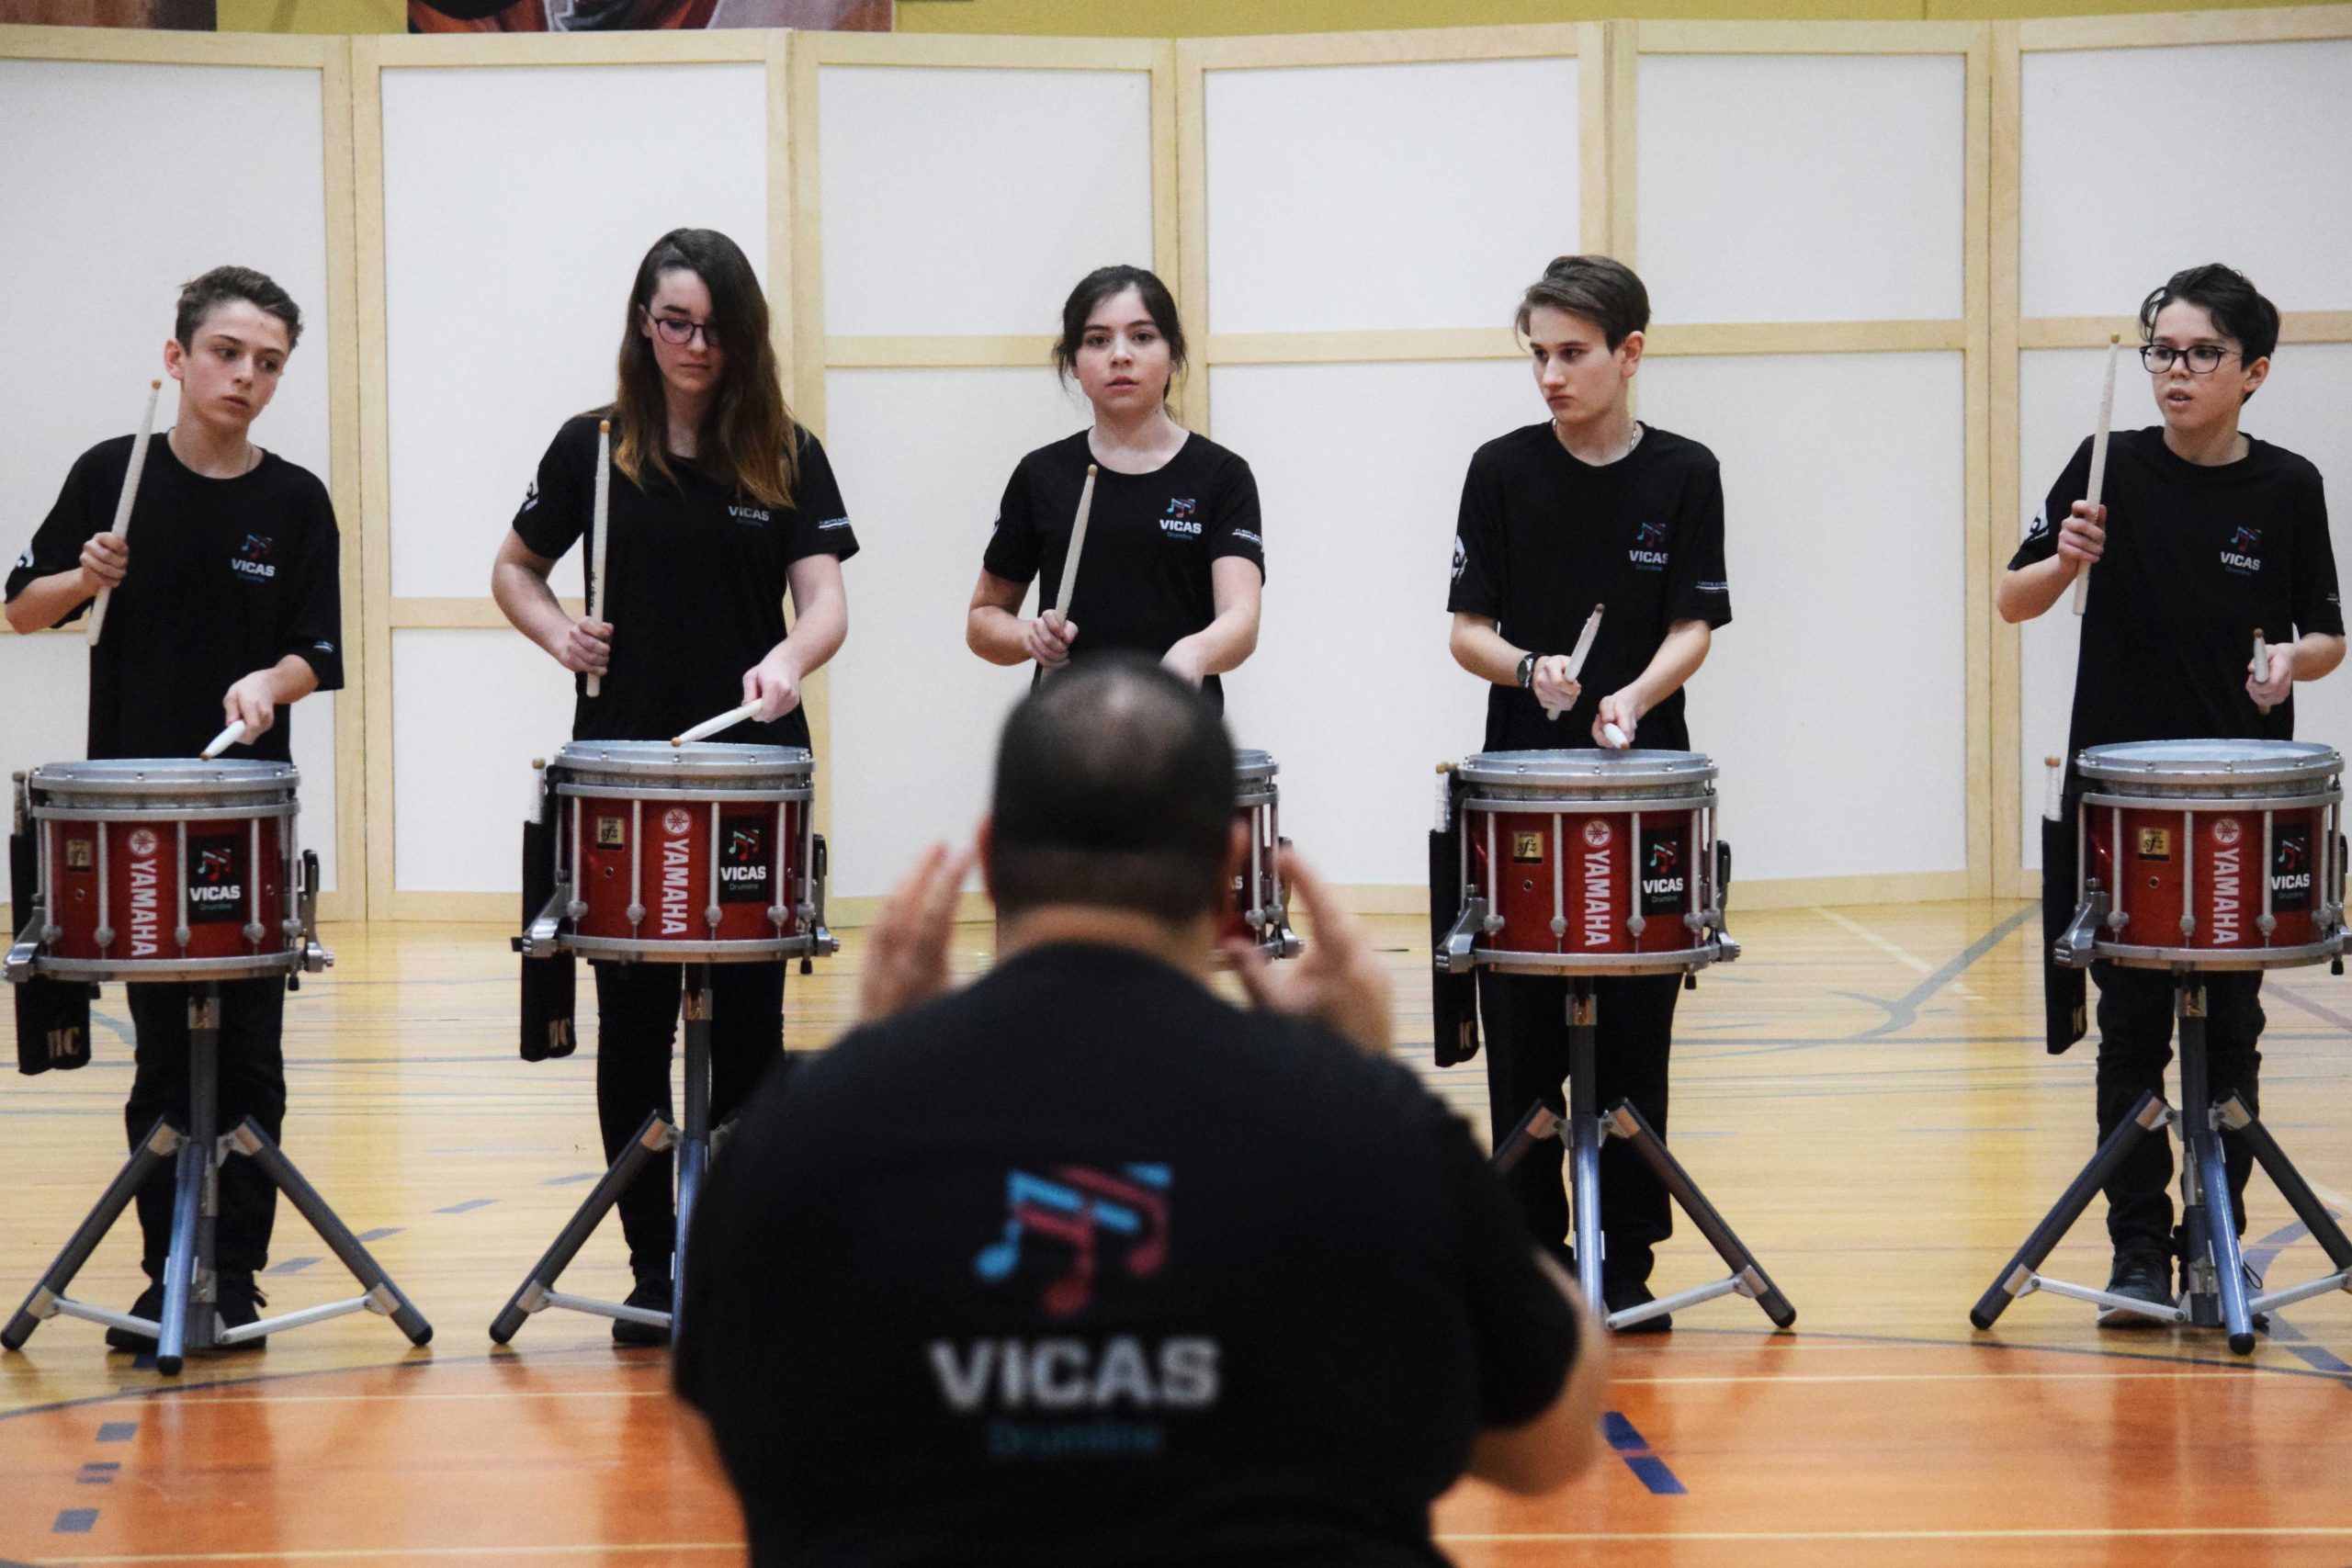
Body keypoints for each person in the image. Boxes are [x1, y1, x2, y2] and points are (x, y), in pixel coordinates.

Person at [676, 657, 1603, 1567]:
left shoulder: (803, 1130)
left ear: (992, 864)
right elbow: (1548, 1441)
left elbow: (716, 1437)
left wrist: (874, 1076)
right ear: (1228, 871)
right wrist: (1357, 1079)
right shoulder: (1369, 1128)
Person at [490, 227, 857, 1344]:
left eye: (714, 326)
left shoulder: (784, 450)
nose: (695, 346)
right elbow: (513, 568)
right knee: (635, 1017)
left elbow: (827, 603)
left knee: (751, 1018)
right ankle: (654, 1268)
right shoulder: (589, 449)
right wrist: (559, 634)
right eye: (674, 323)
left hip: (749, 773)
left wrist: (789, 661)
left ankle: (743, 1258)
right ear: (642, 326)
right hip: (625, 768)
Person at [6, 265, 345, 1349]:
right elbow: (19, 609)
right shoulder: (114, 476)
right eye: (229, 354)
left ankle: (231, 1277)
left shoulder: (294, 500)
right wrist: (84, 580)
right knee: (160, 1052)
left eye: (270, 363)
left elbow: (318, 651)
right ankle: (168, 1274)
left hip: (243, 814)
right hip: (133, 815)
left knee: (247, 1048)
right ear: (178, 360)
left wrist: (270, 684)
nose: (248, 376)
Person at [1996, 262, 2343, 1325]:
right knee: (2131, 1031)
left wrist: (2291, 662)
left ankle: (2219, 1244)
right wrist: (2065, 556)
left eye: (2200, 354)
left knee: (2231, 1032)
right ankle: (2138, 1254)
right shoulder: (2108, 468)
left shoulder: (2287, 486)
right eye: (2162, 351)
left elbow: (2326, 631)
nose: (2175, 372)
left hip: (2239, 806)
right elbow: (2011, 600)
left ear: (2253, 372)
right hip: (2123, 801)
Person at [1445, 254, 1734, 1330]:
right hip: (1521, 793)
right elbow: (1465, 631)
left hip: (1642, 788)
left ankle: (1625, 1261)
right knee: (1520, 1041)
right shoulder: (1499, 468)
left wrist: (1631, 695)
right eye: (1538, 355)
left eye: (1571, 354)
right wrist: (1529, 668)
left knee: (1629, 1039)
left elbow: (1693, 624)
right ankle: (1531, 1258)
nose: (1550, 376)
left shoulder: (1685, 471)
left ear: (1629, 354)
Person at [967, 265, 1262, 711]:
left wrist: (1194, 651)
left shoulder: (1221, 475)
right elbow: (983, 621)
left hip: (1179, 733)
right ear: (1073, 362)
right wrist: (1030, 636)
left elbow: (1241, 620)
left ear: (1172, 354)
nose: (1120, 356)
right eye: (1097, 340)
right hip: (1062, 736)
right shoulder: (1041, 474)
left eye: (1142, 337)